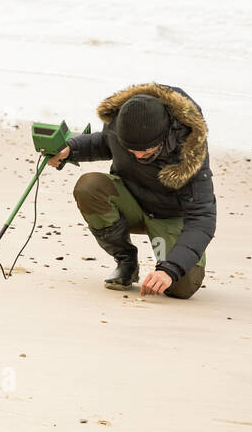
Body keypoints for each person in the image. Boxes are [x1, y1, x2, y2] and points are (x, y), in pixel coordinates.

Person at [48, 83, 215, 299]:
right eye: (130, 151)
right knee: (89, 186)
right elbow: (103, 142)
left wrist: (169, 269)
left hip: (169, 216)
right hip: (131, 203)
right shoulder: (120, 122)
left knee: (180, 287)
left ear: (163, 138)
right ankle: (126, 260)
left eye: (145, 152)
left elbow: (203, 217)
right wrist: (70, 149)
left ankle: (167, 263)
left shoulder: (190, 150)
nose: (137, 156)